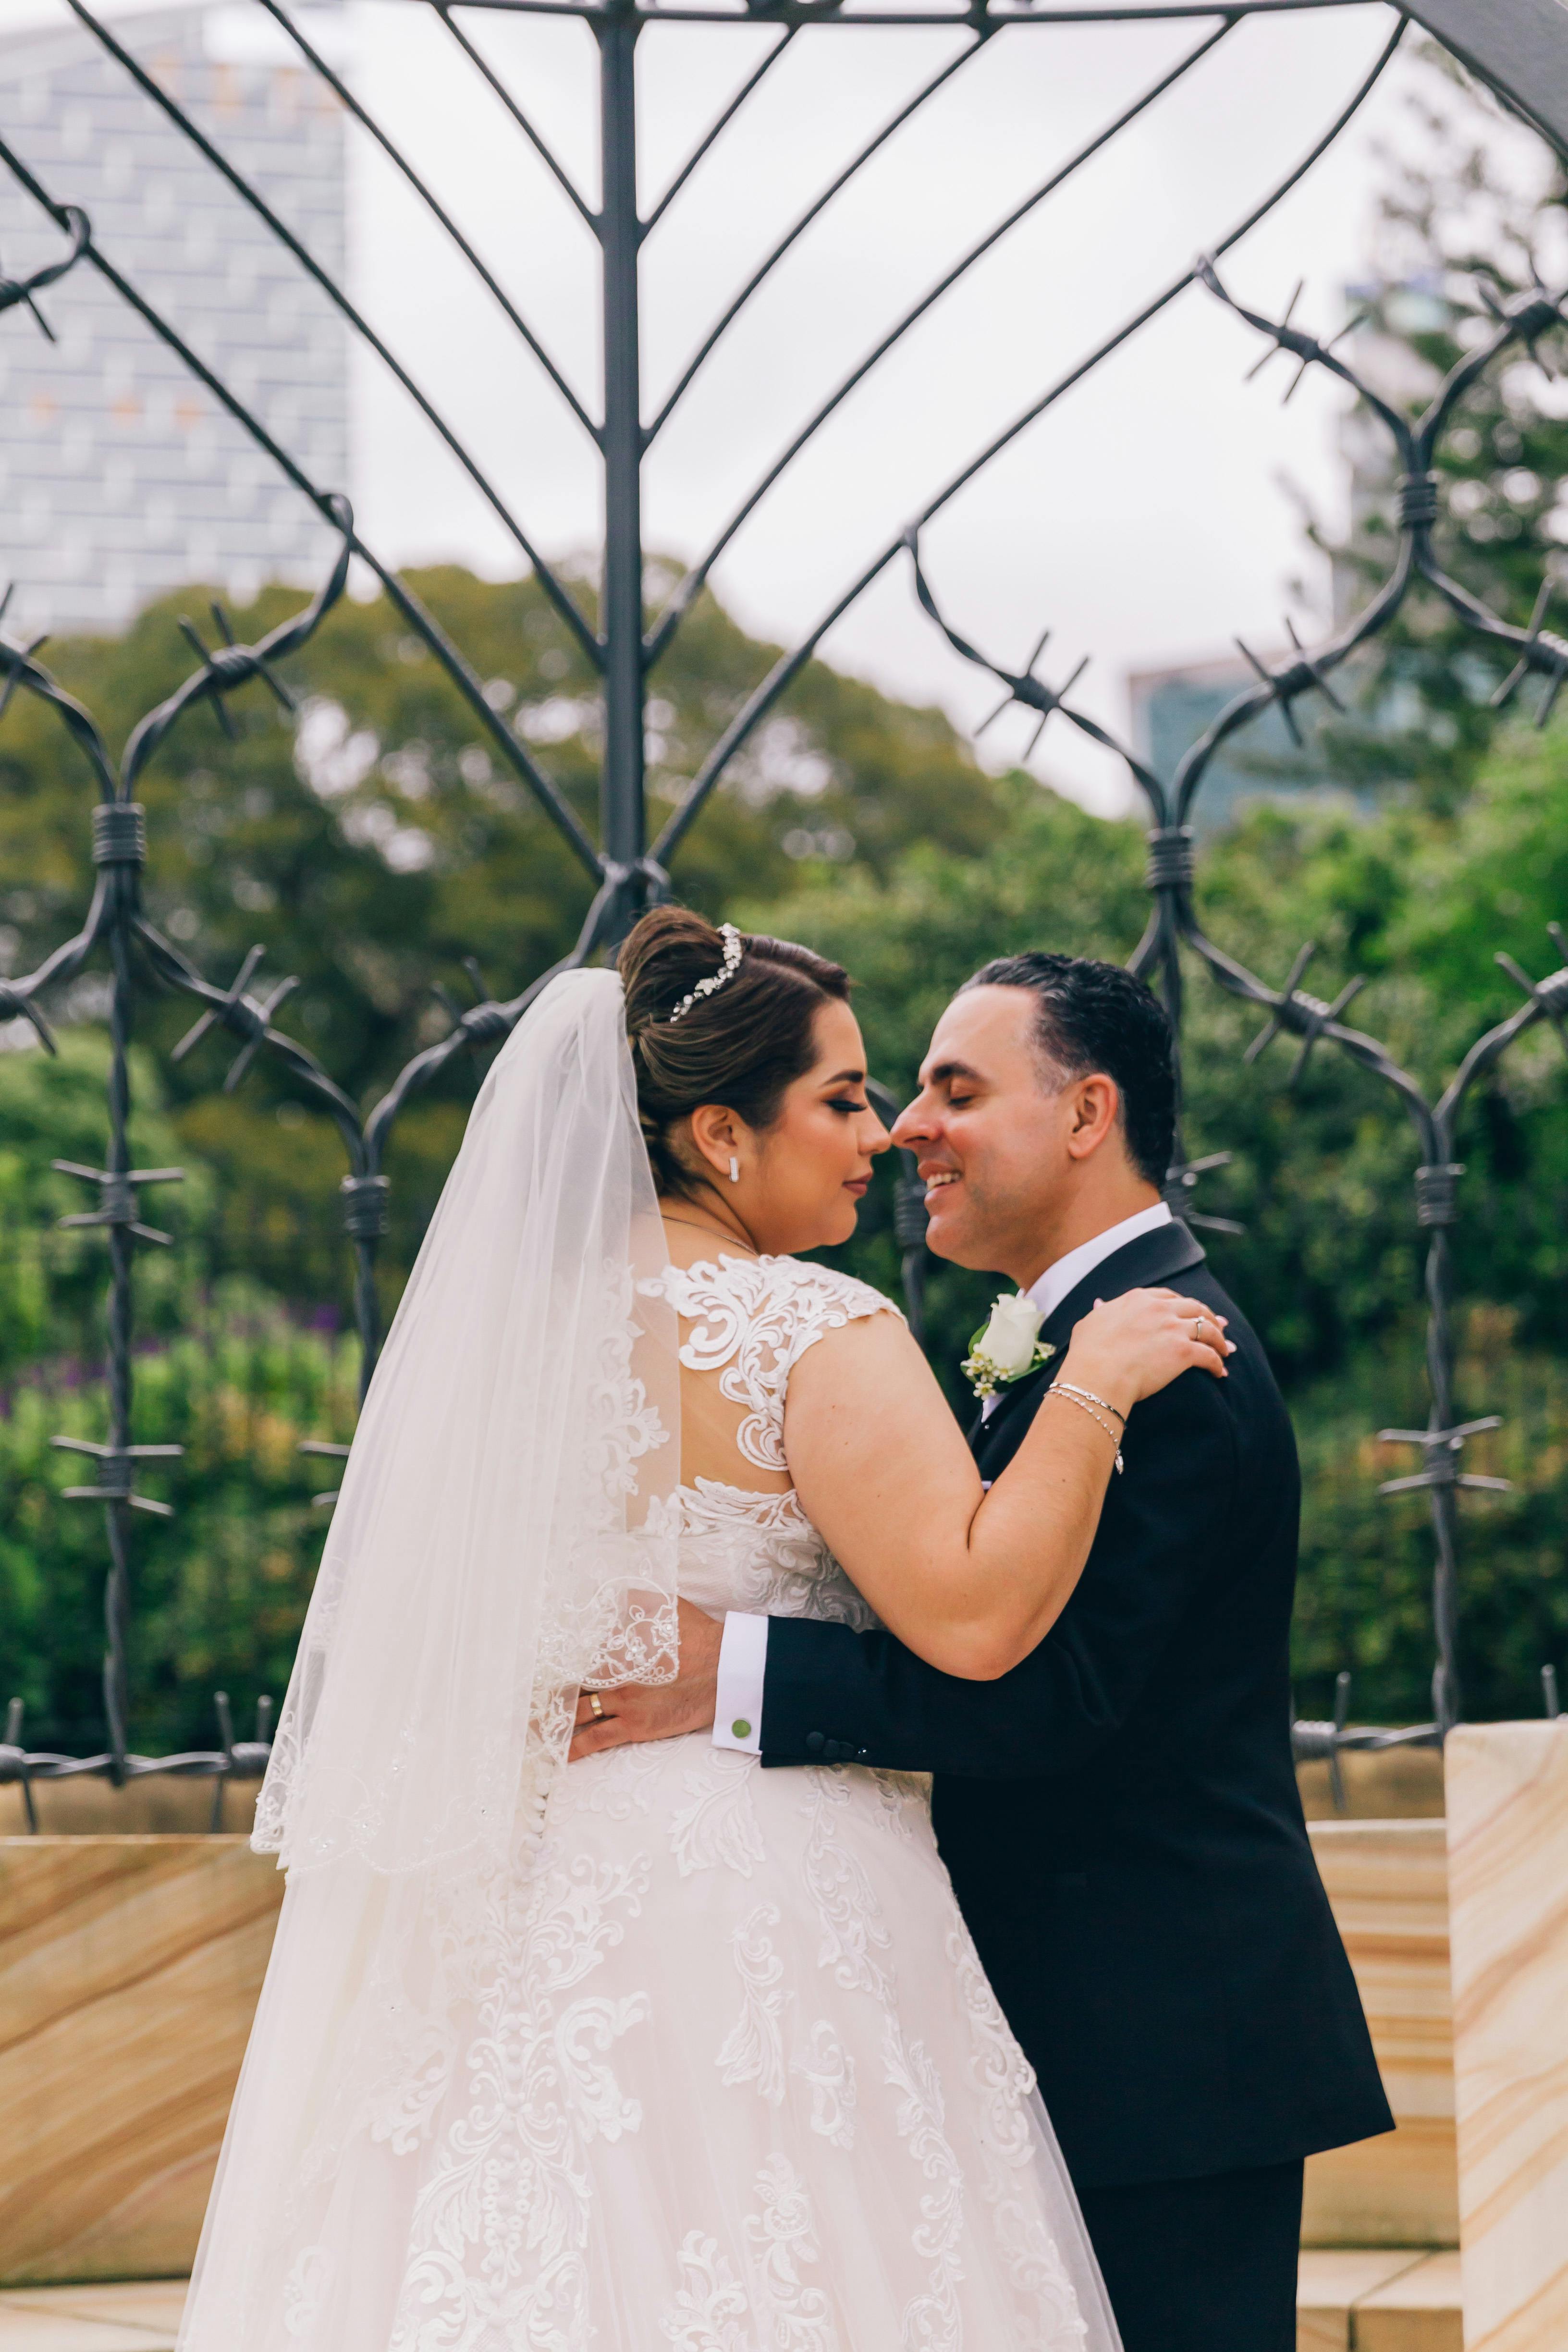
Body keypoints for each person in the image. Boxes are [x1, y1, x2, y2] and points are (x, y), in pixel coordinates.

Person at [178, 911, 1225, 2352]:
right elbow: (978, 1618)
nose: (885, 1134)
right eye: (845, 1100)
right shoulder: (807, 1327)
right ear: (724, 1137)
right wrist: (1096, 1388)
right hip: (770, 1913)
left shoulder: (505, 1350)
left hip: (533, 1901)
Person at [576, 946, 1395, 2352]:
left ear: (1087, 1116)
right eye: (887, 1094)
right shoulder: (1067, 1338)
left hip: (1158, 2045)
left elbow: (1056, 1695)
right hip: (1056, 2020)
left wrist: (736, 1674)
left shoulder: (1169, 1361)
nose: (905, 1128)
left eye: (953, 1089)